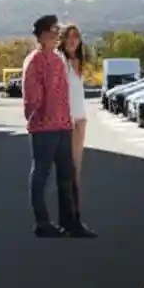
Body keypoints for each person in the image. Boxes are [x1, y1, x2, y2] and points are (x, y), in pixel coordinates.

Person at [23, 14, 96, 239]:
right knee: (41, 174)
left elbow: (64, 94)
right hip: (43, 129)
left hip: (63, 126)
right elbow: (32, 97)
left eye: (57, 32)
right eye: (54, 31)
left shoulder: (56, 60)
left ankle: (71, 222)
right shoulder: (34, 61)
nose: (57, 35)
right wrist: (38, 114)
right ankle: (42, 223)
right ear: (43, 35)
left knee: (67, 174)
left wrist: (67, 119)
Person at [58, 23, 90, 194]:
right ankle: (69, 210)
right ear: (62, 40)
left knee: (77, 167)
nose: (72, 41)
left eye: (76, 36)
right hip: (67, 120)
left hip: (80, 118)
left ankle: (74, 209)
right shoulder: (60, 61)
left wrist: (82, 117)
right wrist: (66, 116)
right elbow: (59, 92)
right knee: (68, 167)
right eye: (69, 37)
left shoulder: (78, 61)